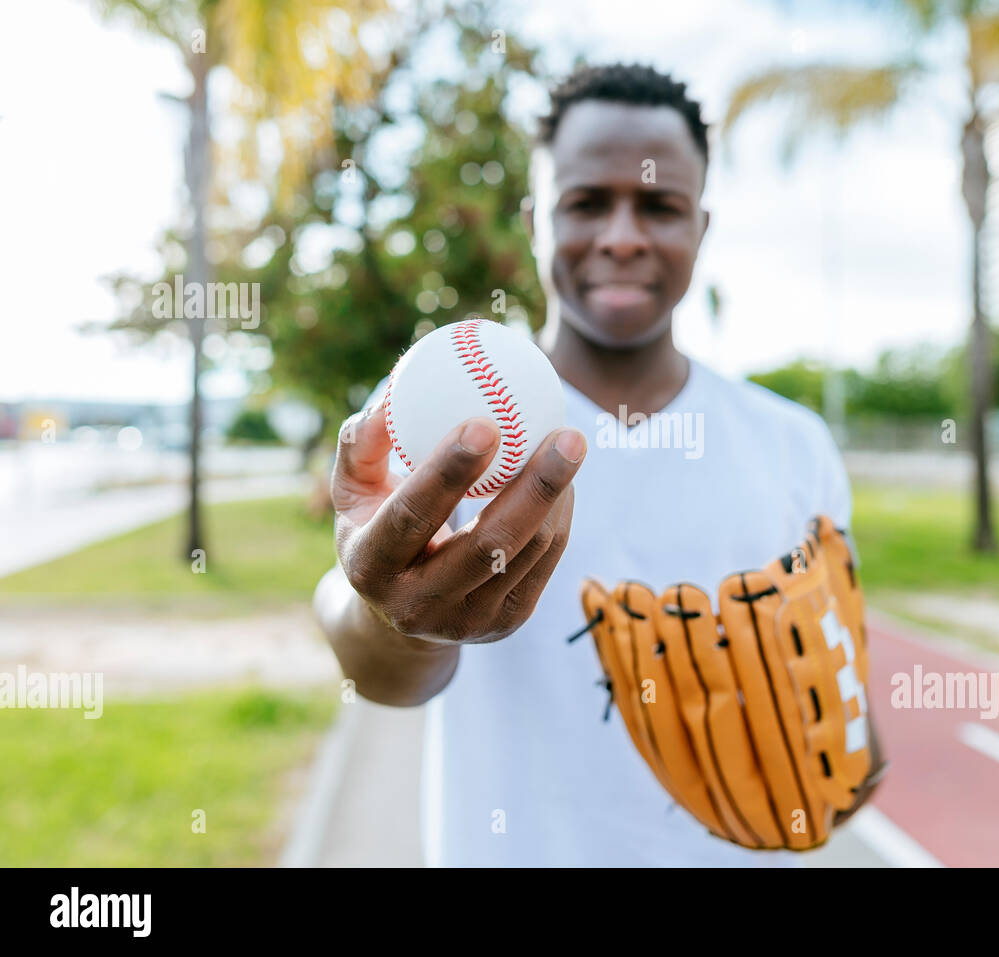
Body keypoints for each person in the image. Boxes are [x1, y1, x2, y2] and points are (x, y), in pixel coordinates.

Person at [314, 63, 881, 867]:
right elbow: (377, 667)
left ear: (702, 225)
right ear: (533, 219)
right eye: (585, 202)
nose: (622, 235)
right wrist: (387, 614)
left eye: (659, 205)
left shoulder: (792, 444)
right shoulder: (432, 416)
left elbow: (837, 694)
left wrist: (845, 747)